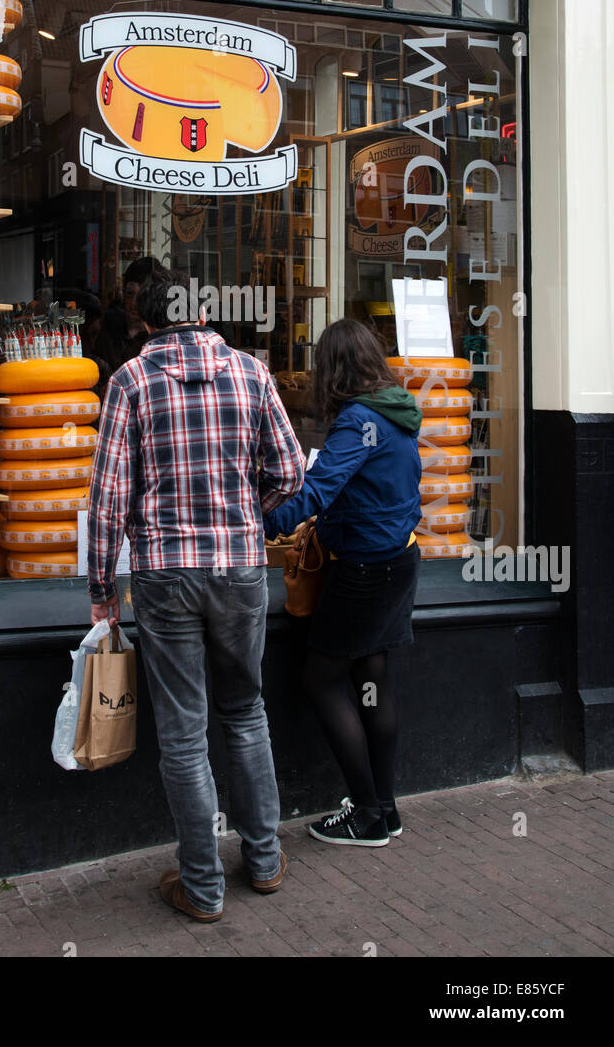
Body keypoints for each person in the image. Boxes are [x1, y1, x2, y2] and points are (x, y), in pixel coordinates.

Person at [86, 269, 305, 922]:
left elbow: (107, 502)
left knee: (183, 734)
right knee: (245, 712)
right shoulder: (250, 372)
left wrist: (102, 590)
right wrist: (244, 511)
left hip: (163, 572)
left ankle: (202, 887)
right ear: (205, 310)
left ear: (144, 321)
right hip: (239, 567)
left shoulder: (129, 380)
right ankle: (263, 862)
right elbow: (290, 472)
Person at [263, 319, 422, 850]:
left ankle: (368, 814)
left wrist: (258, 526)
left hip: (362, 570)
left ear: (332, 369)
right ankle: (385, 807)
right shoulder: (397, 409)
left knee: (323, 679)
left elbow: (318, 492)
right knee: (373, 679)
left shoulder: (358, 421)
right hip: (399, 560)